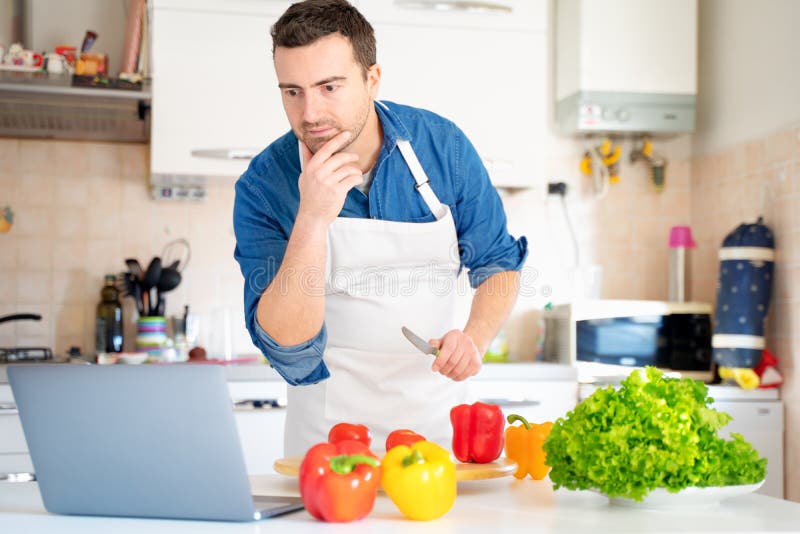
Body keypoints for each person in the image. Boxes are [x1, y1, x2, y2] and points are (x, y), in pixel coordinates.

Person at [233, 0, 527, 456]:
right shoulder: (264, 186)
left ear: (372, 79)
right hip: (328, 445)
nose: (309, 113)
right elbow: (288, 348)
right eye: (292, 92)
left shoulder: (442, 147)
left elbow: (499, 264)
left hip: (438, 434)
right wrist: (312, 218)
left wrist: (474, 339)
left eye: (329, 87)